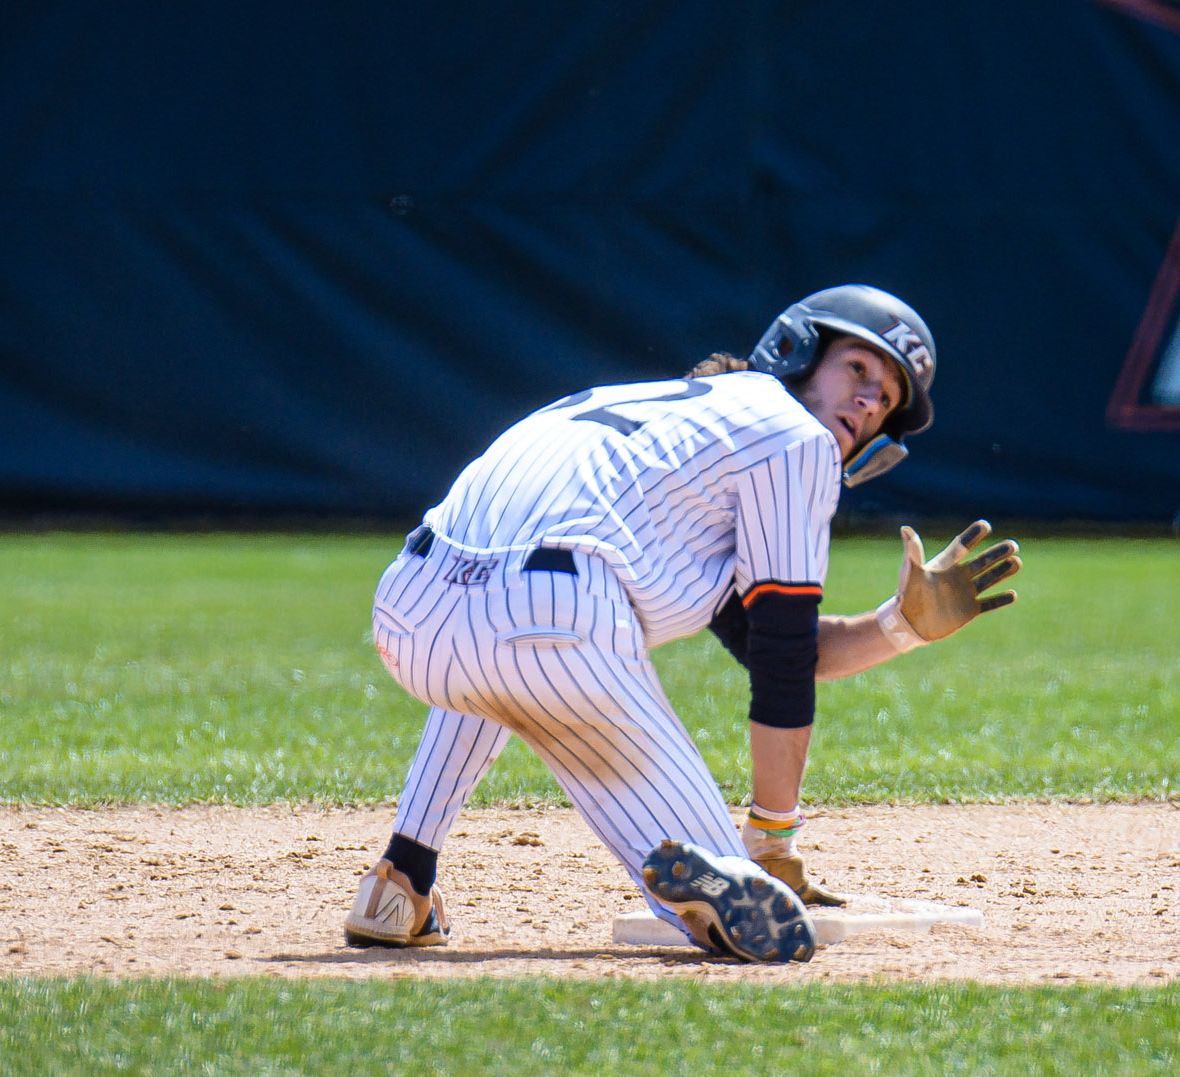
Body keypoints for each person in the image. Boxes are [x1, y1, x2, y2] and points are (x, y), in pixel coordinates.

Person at [342, 285, 1022, 963]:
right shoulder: (798, 437)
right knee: (749, 900)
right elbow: (783, 661)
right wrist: (771, 838)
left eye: (888, 397)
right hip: (554, 622)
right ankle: (715, 888)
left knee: (496, 658)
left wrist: (901, 625)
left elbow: (776, 645)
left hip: (411, 608)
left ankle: (401, 877)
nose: (871, 400)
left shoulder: (660, 420)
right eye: (859, 367)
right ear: (798, 350)